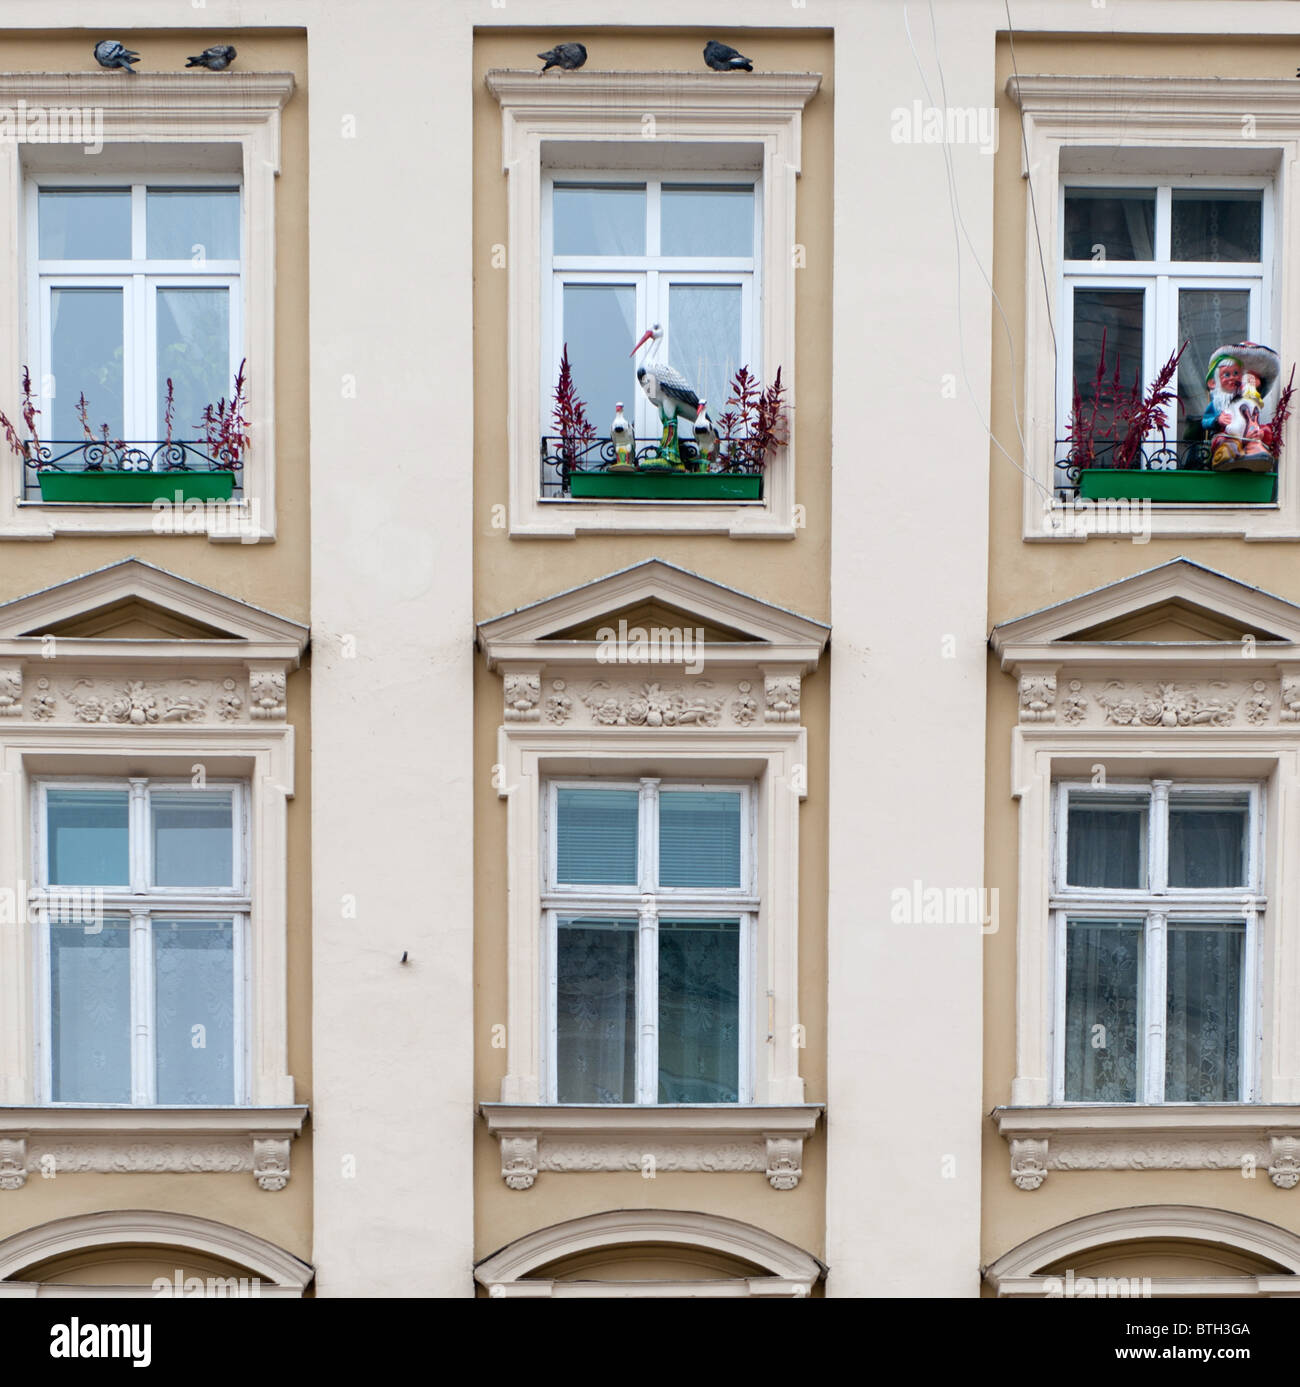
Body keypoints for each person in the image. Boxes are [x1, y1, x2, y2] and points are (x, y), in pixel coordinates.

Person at [1202, 342, 1280, 472]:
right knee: (1228, 444)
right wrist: (1217, 420)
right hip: (1227, 437)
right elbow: (1205, 421)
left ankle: (1254, 455)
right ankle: (1228, 455)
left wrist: (1259, 433)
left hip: (1249, 436)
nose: (1232, 378)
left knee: (1258, 439)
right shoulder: (1218, 404)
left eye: (1236, 373)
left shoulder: (1249, 404)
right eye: (1227, 375)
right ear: (1213, 383)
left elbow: (1253, 421)